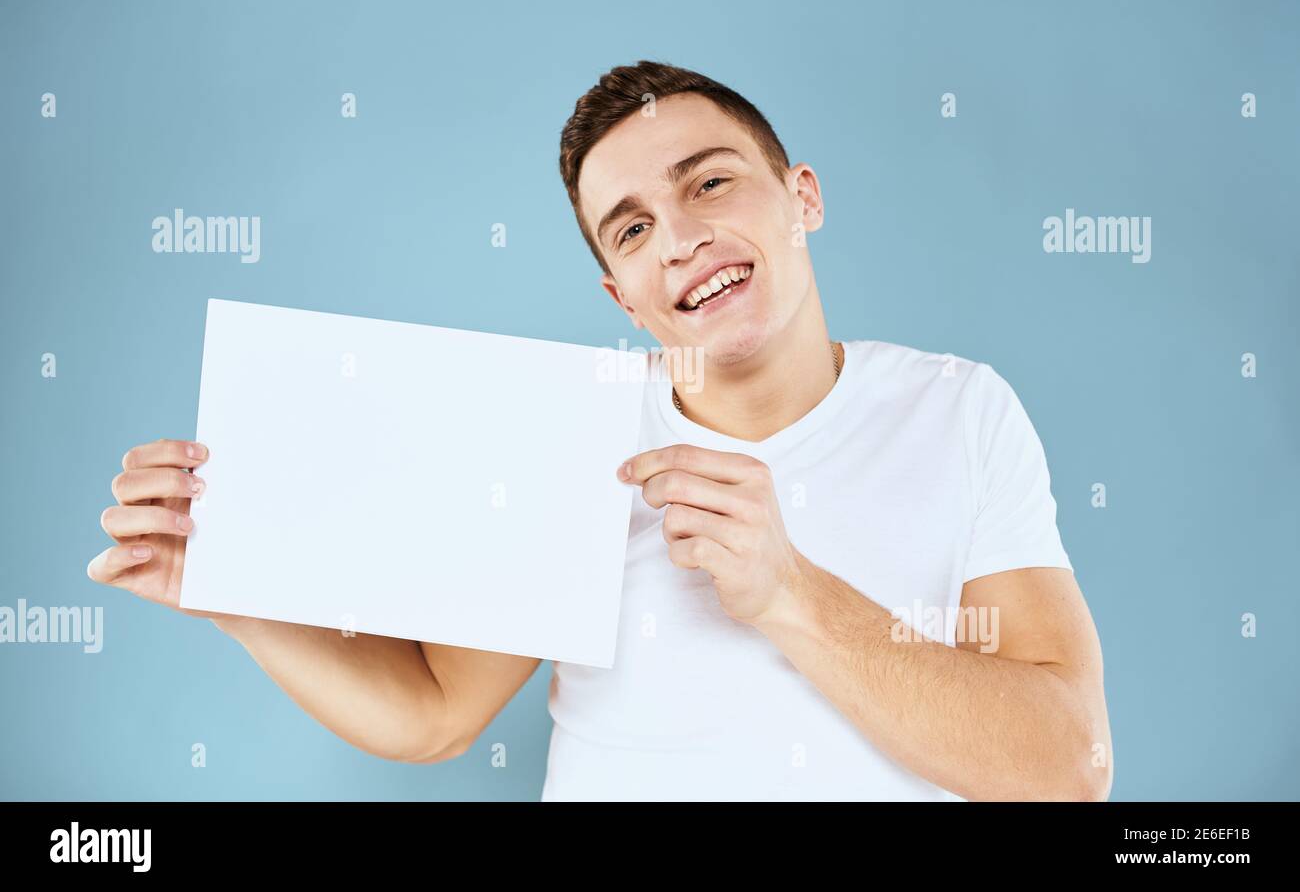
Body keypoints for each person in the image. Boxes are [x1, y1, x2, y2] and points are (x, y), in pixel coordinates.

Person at [89, 60, 1112, 801]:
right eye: (631, 228)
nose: (680, 239)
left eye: (709, 181)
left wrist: (788, 593)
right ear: (621, 295)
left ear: (800, 197)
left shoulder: (958, 408)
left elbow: (1066, 768)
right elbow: (436, 714)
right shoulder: (572, 437)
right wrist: (237, 598)